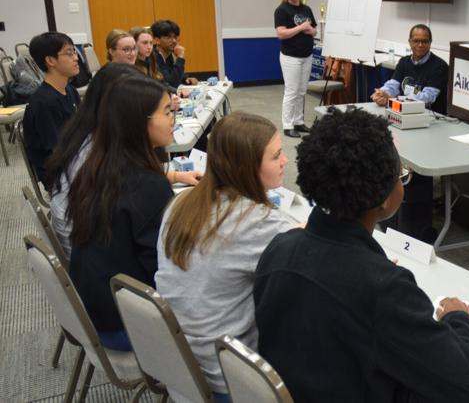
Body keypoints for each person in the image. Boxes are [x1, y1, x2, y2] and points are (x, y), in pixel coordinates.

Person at [253, 109, 469, 402]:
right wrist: (458, 317)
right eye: (401, 176)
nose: (402, 182)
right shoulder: (383, 289)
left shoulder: (278, 248)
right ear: (383, 198)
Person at [156, 112, 293, 400]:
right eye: (276, 156)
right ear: (247, 168)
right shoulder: (261, 223)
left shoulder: (180, 203)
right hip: (229, 377)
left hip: (177, 363)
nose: (285, 161)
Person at [46, 64, 200, 258]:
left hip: (93, 254)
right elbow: (163, 256)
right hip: (88, 251)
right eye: (167, 111)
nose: (173, 119)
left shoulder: (102, 145)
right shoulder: (93, 152)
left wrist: (176, 176)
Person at [67, 75, 175, 350]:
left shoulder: (97, 167)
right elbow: (164, 270)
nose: (173, 118)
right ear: (140, 122)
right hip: (126, 324)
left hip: (93, 311)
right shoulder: (149, 186)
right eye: (167, 112)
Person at [23, 32, 81, 181]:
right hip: (60, 175)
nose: (76, 57)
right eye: (69, 53)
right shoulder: (43, 103)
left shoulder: (70, 90)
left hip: (76, 160)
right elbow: (58, 151)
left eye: (74, 51)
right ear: (50, 60)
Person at [371, 23, 449, 114]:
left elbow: (427, 98)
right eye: (416, 41)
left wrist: (394, 100)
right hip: (403, 111)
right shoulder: (404, 62)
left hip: (429, 115)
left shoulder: (439, 66)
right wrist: (382, 93)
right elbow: (393, 85)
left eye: (424, 41)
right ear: (410, 42)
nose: (420, 45)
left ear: (430, 43)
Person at [274, 0, 316, 138]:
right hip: (290, 57)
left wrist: (311, 31)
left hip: (307, 56)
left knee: (302, 91)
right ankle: (288, 125)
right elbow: (281, 33)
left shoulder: (307, 9)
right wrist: (300, 28)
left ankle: (298, 121)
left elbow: (314, 30)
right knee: (291, 91)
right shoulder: (282, 10)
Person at [151, 19, 199, 88]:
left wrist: (186, 79)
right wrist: (180, 57)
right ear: (157, 40)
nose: (174, 41)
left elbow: (172, 74)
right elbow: (171, 84)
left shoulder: (169, 55)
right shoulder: (153, 57)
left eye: (175, 37)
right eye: (168, 37)